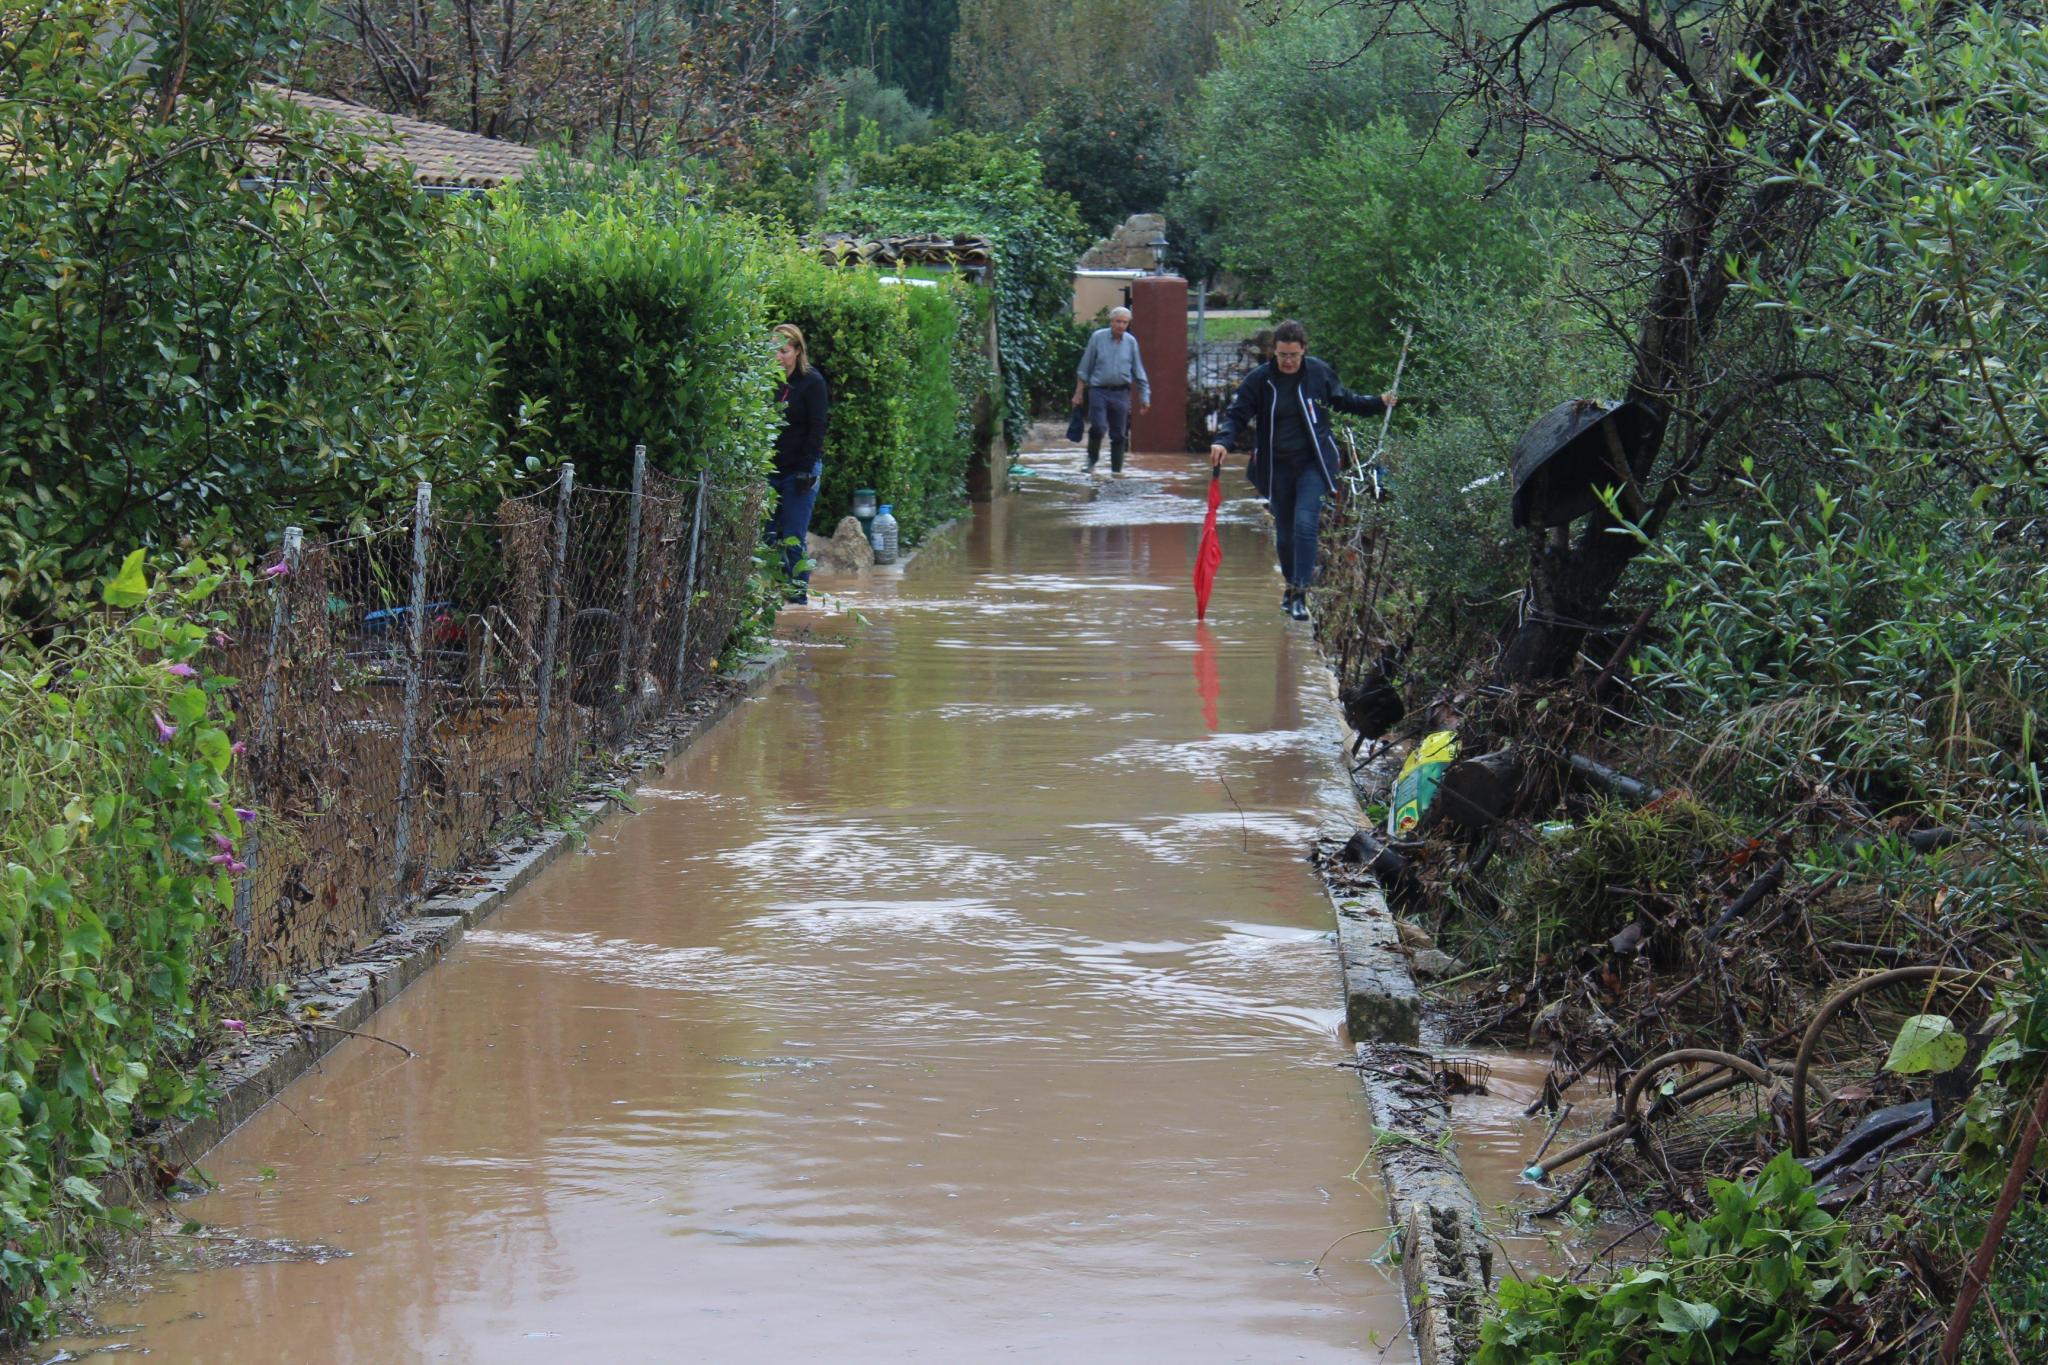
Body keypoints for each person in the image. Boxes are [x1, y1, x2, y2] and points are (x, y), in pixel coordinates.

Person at [1209, 319, 1398, 621]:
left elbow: (1346, 401)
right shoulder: (1260, 380)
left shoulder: (1318, 373)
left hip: (1313, 463)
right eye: (1282, 355)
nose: (1287, 361)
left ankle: (1300, 592)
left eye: (1293, 356)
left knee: (1305, 523)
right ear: (1274, 351)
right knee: (1284, 535)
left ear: (1303, 352)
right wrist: (1222, 442)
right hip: (1277, 466)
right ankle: (1290, 585)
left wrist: (1378, 403)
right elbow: (1237, 414)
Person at [766, 323, 829, 604]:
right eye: (774, 350)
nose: (778, 356)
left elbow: (818, 427)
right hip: (770, 470)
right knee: (765, 536)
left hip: (801, 471)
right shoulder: (768, 379)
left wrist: (806, 468)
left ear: (798, 351)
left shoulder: (812, 382)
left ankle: (797, 599)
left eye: (784, 350)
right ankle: (769, 594)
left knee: (793, 537)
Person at [1071, 305, 1150, 476]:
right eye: (1118, 321)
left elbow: (1138, 370)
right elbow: (1085, 367)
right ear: (1111, 322)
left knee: (1119, 433)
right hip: (1098, 390)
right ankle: (1091, 461)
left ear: (1128, 324)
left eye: (1125, 322)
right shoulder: (1097, 338)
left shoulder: (1130, 342)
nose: (1121, 325)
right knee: (1098, 427)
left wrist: (1145, 396)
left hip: (1121, 392)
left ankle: (1116, 471)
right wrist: (1078, 393)